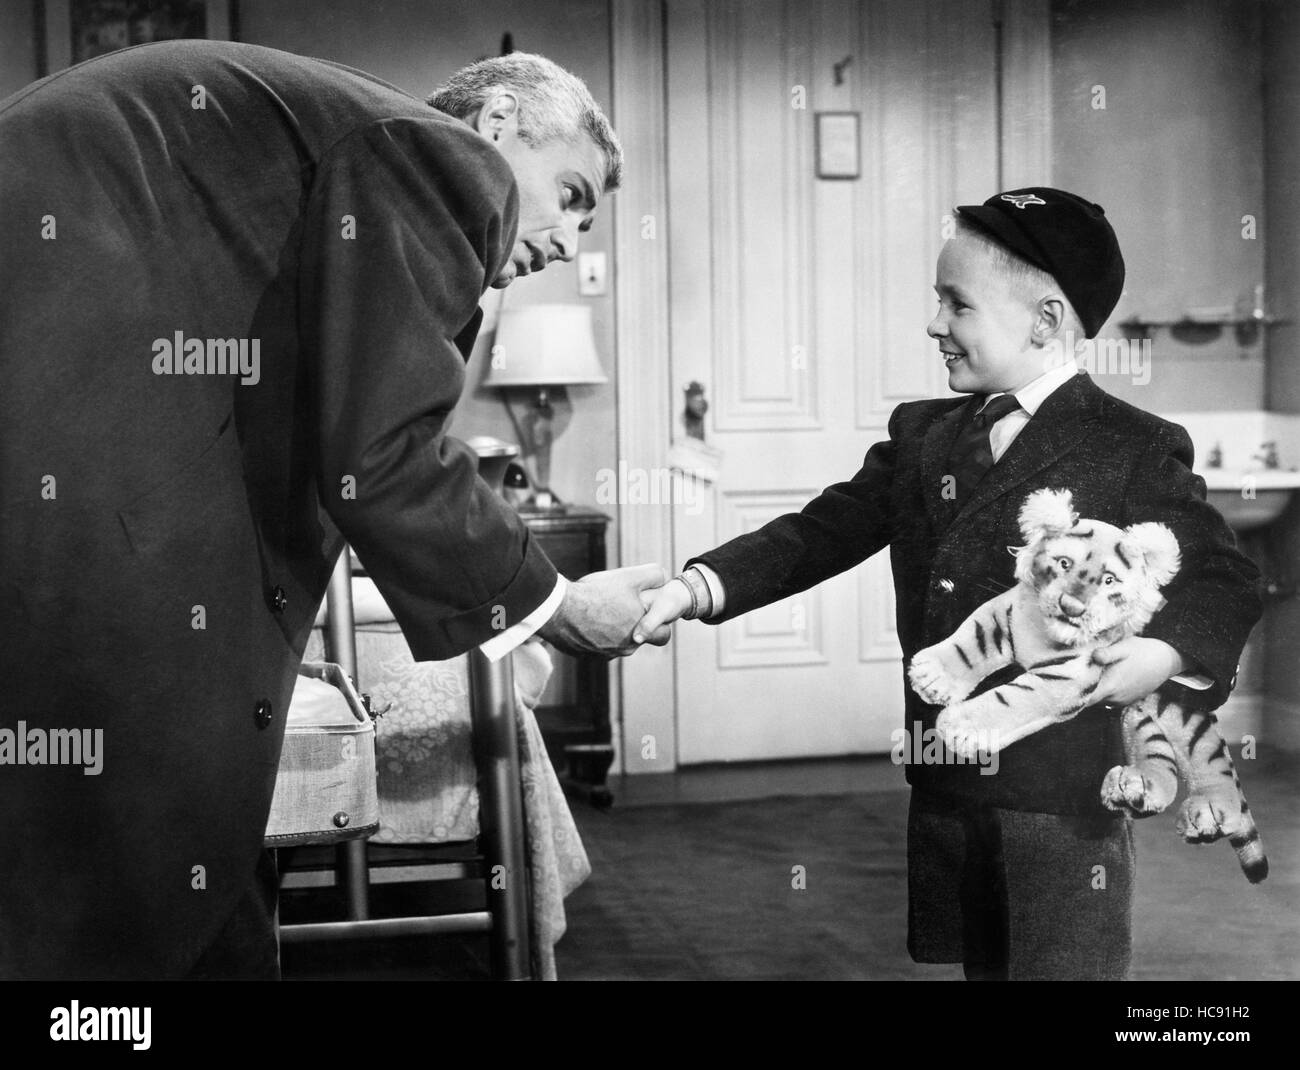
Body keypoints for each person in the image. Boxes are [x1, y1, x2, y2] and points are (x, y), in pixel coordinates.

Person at [0, 40, 667, 980]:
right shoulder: (440, 154)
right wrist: (559, 603)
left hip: (65, 444)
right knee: (127, 888)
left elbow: (332, 421)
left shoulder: (344, 148)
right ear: (498, 123)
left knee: (151, 876)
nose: (568, 243)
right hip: (82, 490)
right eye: (571, 195)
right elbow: (383, 453)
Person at [636, 187, 1262, 980]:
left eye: (957, 304)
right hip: (947, 778)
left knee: (1061, 968)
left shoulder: (1131, 445)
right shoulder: (923, 434)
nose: (935, 324)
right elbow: (819, 533)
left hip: (1066, 797)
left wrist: (1161, 655)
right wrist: (697, 587)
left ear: (1045, 320)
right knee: (980, 965)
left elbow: (1224, 578)